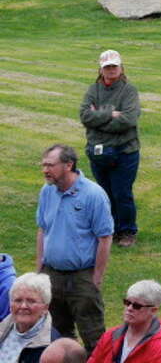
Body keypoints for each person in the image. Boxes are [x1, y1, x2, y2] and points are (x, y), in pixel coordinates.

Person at [34, 144, 112, 350]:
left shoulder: (93, 194)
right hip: (52, 274)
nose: (45, 170)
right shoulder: (47, 191)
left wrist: (97, 277)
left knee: (93, 335)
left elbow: (105, 237)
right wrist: (39, 268)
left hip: (82, 276)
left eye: (50, 165)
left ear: (69, 165)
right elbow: (42, 229)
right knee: (57, 333)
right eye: (43, 165)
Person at [79, 50, 141, 249]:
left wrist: (98, 119)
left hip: (125, 151)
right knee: (103, 193)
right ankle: (109, 229)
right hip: (98, 152)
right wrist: (110, 114)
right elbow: (84, 116)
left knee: (122, 193)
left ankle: (127, 231)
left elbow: (129, 119)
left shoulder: (129, 90)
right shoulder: (92, 90)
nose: (111, 70)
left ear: (121, 68)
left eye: (114, 66)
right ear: (101, 69)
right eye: (107, 67)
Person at [83, 281, 161, 363]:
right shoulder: (110, 336)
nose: (129, 308)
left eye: (137, 306)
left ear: (153, 310)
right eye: (127, 302)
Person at [0, 273, 61, 363]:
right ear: (10, 304)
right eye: (18, 300)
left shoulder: (53, 346)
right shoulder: (4, 327)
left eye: (31, 301)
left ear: (45, 307)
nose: (23, 306)